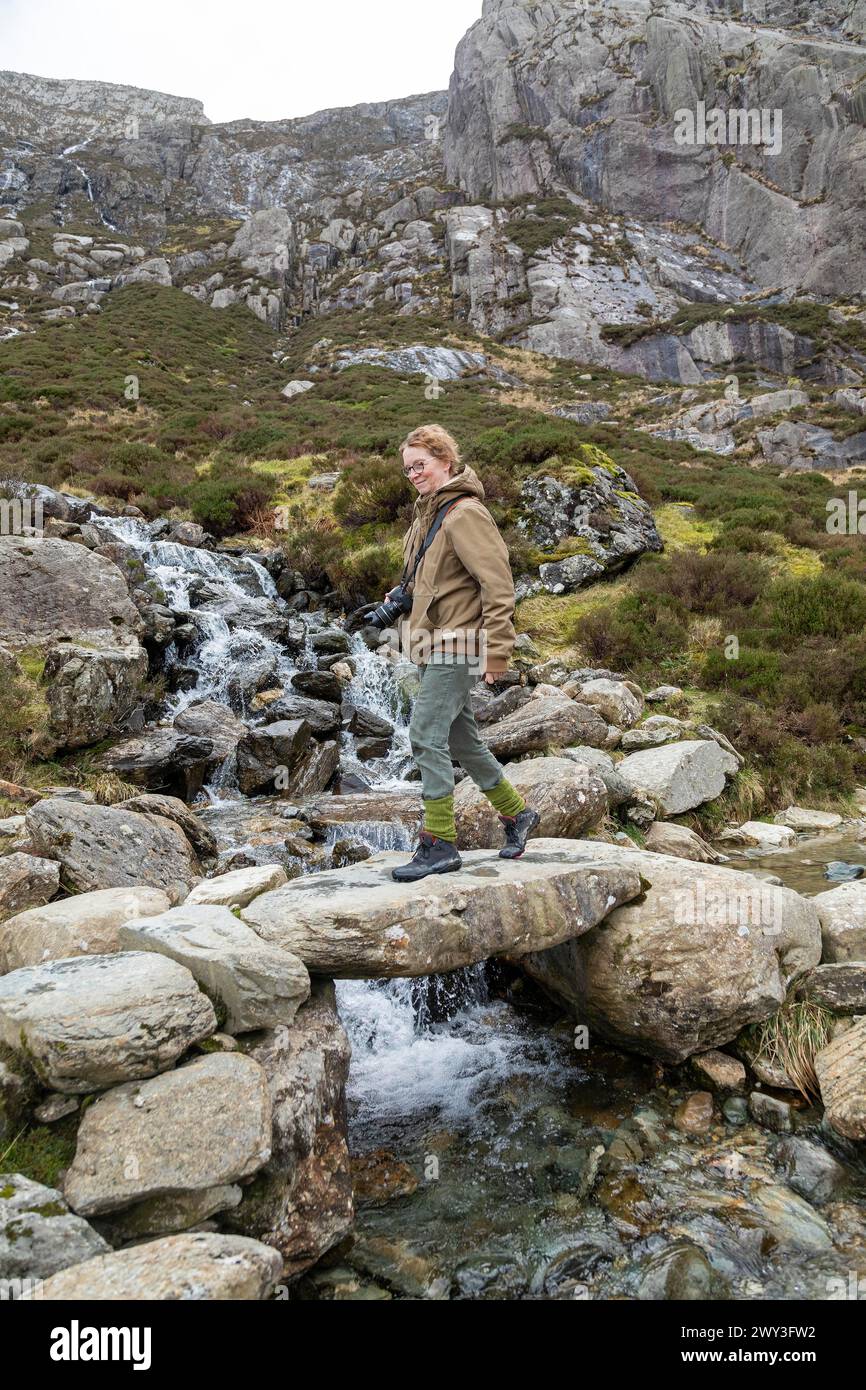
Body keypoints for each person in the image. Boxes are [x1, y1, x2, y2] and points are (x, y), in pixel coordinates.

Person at [388, 423, 540, 882]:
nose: (414, 473)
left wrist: (498, 653)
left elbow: (498, 586)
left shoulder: (465, 513)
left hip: (460, 644)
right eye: (408, 468)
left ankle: (439, 844)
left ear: (446, 462)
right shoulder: (426, 517)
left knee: (424, 734)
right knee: (462, 742)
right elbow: (433, 583)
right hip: (433, 644)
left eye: (422, 464)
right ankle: (517, 815)